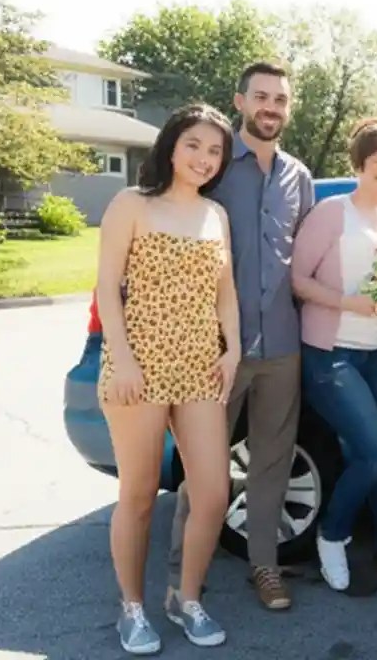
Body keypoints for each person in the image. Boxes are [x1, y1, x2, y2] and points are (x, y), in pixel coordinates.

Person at [167, 61, 315, 611]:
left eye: (280, 98)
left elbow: (306, 259)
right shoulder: (210, 167)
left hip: (282, 346)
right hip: (214, 349)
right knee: (202, 469)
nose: (271, 106)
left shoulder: (299, 178)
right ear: (240, 101)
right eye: (261, 96)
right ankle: (184, 576)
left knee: (271, 463)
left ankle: (265, 568)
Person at [96, 103, 238, 654]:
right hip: (139, 364)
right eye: (194, 145)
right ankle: (131, 608)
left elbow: (225, 292)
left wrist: (229, 350)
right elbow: (107, 287)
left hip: (200, 365)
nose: (204, 158)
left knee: (212, 492)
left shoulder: (215, 216)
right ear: (172, 147)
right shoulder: (131, 203)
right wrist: (125, 360)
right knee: (137, 495)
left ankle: (186, 597)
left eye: (214, 150)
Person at [290, 118, 377, 593]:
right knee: (375, 451)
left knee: (376, 454)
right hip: (332, 354)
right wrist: (348, 302)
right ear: (360, 164)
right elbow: (297, 280)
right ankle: (332, 534)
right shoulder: (331, 213)